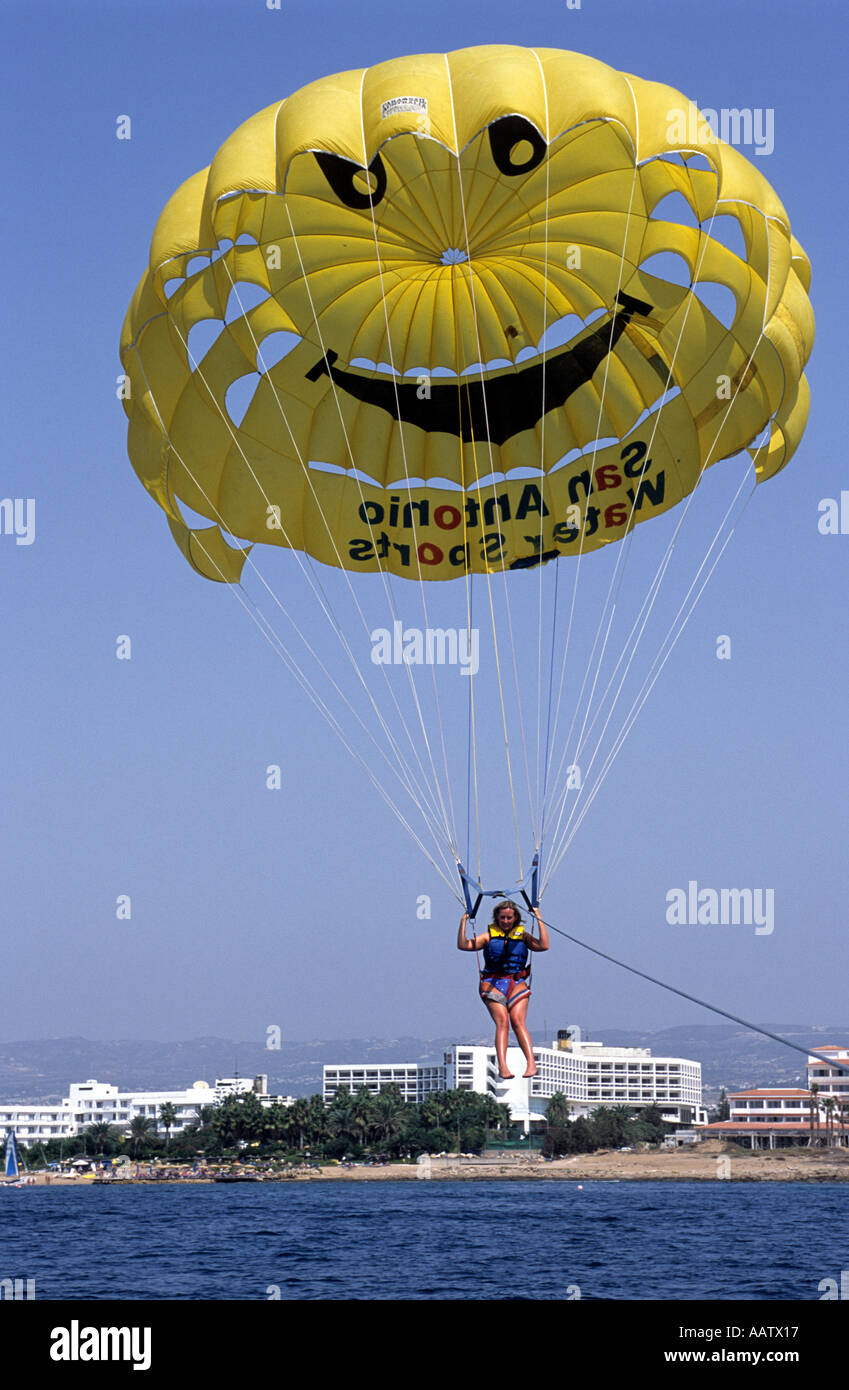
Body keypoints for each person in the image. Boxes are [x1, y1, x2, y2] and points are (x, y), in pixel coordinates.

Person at [457, 899, 549, 1080]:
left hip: (516, 983)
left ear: (515, 918)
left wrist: (538, 917)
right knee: (502, 1022)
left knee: (518, 1021)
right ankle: (503, 1066)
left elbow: (543, 945)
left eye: (509, 918)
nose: (505, 921)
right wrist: (464, 921)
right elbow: (463, 945)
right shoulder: (488, 937)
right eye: (502, 918)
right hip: (492, 983)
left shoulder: (523, 937)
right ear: (496, 918)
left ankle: (531, 1063)